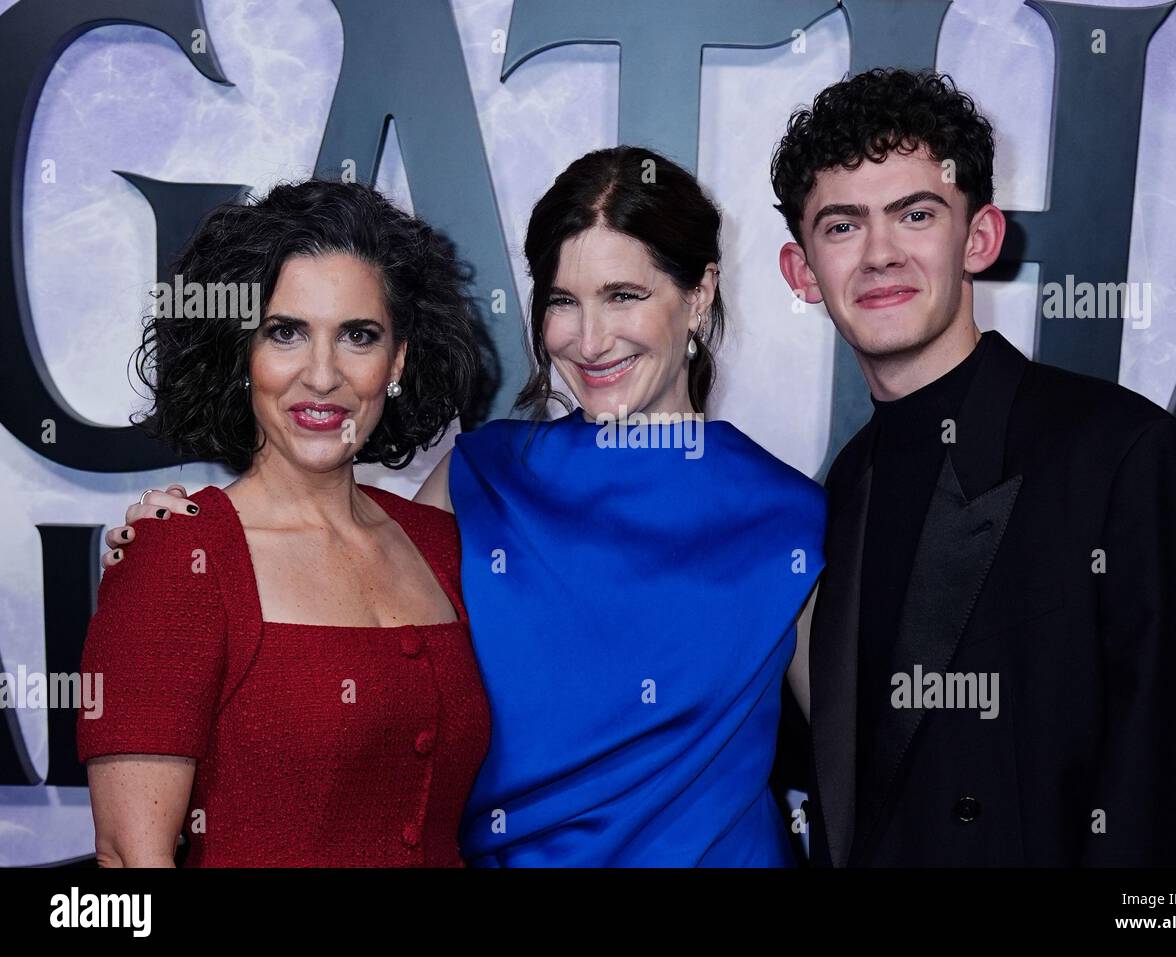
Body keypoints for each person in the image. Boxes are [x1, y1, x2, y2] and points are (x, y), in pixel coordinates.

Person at [100, 147, 826, 866]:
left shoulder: (790, 517)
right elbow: (328, 576)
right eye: (564, 301)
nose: (592, 338)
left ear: (699, 295)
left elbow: (876, 770)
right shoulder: (480, 477)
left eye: (623, 296)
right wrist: (182, 545)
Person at [770, 67, 1176, 866]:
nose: (879, 254)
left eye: (916, 214)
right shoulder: (836, 493)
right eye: (842, 226)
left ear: (979, 237)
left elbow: (1156, 797)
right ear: (802, 271)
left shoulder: (1122, 453)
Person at [79, 180, 490, 866]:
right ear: (243, 354)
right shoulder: (177, 555)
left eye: (358, 335)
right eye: (286, 332)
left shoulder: (440, 543)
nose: (322, 374)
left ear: (398, 361)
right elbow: (130, 862)